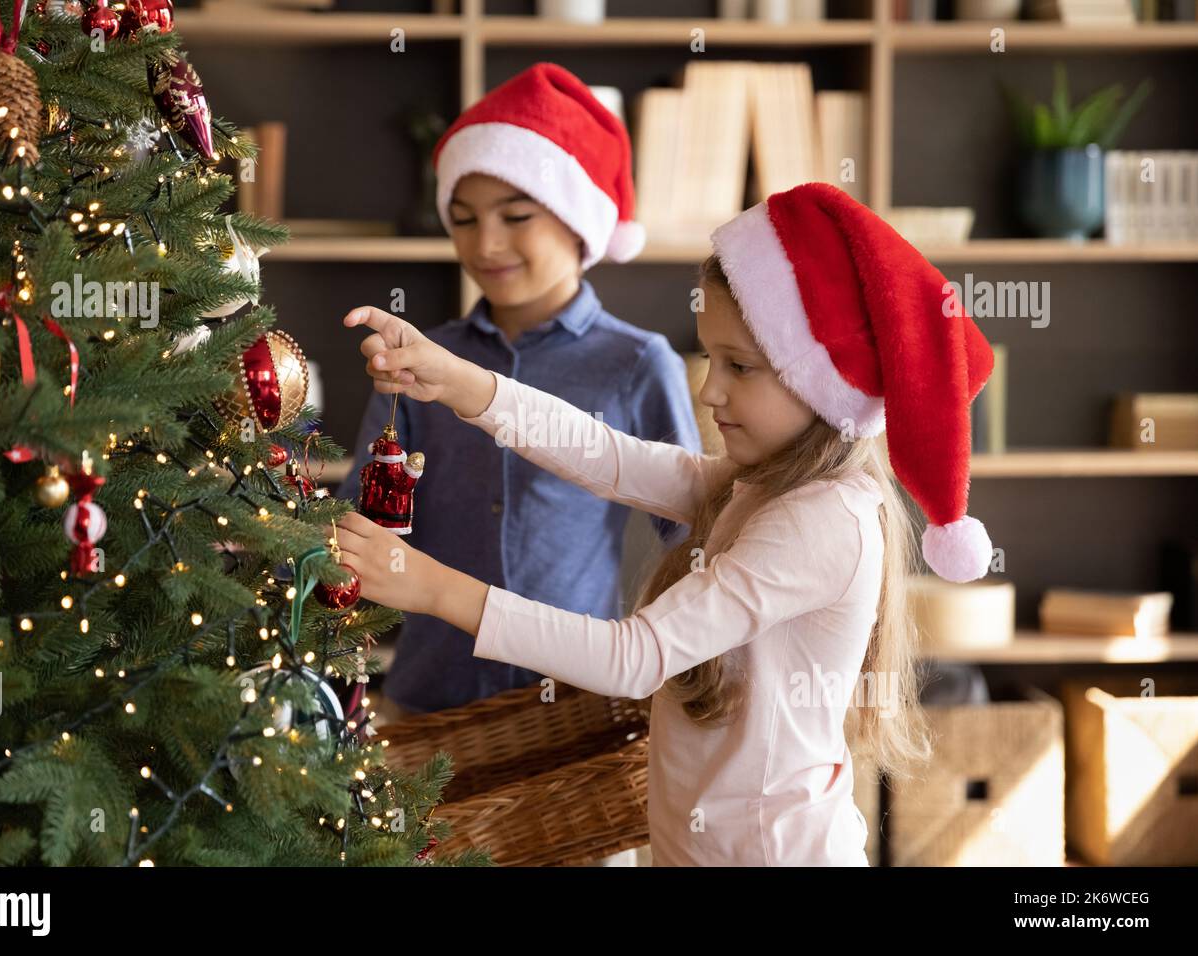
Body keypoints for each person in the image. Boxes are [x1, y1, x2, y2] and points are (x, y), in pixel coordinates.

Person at [336, 182, 997, 866]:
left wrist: (434, 588)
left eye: (739, 366)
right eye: (712, 358)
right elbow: (610, 457)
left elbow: (633, 658)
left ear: (823, 381)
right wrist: (457, 381)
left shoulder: (823, 518)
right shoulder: (765, 484)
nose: (710, 391)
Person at [337, 63, 701, 718]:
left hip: (573, 712)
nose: (488, 243)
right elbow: (360, 513)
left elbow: (696, 538)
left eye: (516, 214)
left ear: (578, 219)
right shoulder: (421, 359)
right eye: (465, 218)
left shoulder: (640, 363)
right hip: (428, 701)